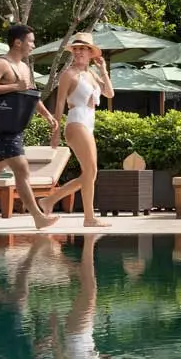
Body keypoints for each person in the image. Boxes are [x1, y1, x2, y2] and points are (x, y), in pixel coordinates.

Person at [0, 24, 60, 231]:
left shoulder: (24, 67)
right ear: (18, 42)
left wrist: (47, 115)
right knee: (21, 169)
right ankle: (37, 217)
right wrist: (15, 86)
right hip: (1, 126)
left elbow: (30, 96)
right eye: (31, 41)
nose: (33, 45)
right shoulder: (0, 64)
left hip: (13, 126)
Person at [42, 33, 115, 227]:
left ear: (90, 53)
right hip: (76, 122)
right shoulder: (69, 74)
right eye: (76, 49)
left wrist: (104, 70)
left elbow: (109, 93)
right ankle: (89, 218)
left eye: (83, 49)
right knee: (91, 171)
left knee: (90, 173)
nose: (79, 52)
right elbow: (59, 104)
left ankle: (50, 200)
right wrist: (55, 133)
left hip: (88, 123)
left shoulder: (91, 74)